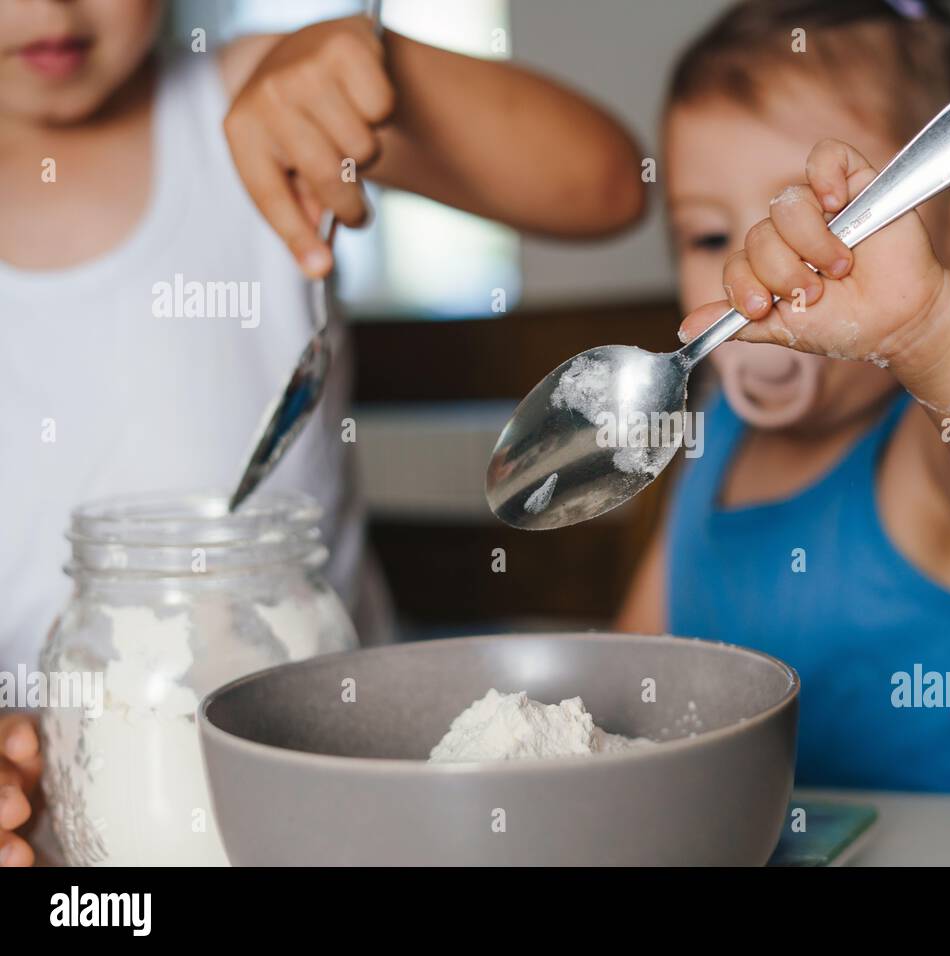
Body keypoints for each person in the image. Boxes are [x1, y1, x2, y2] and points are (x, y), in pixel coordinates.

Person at [0, 0, 644, 866]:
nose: (50, 8)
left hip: (347, 801)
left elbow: (607, 182)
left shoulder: (257, 104)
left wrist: (376, 69)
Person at [616, 0, 950, 795]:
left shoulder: (937, 445)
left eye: (821, 228)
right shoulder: (709, 436)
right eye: (710, 237)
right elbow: (636, 680)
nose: (755, 274)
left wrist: (929, 326)